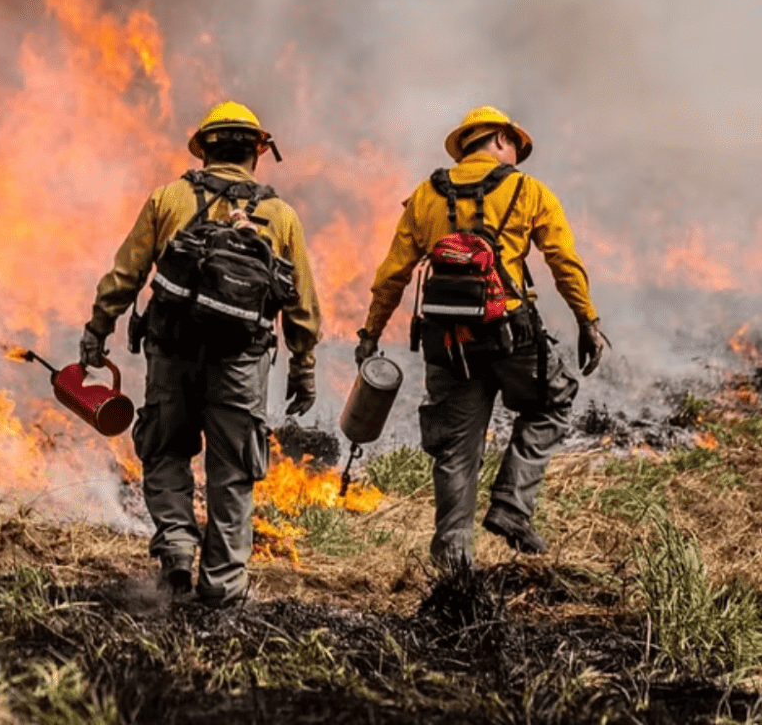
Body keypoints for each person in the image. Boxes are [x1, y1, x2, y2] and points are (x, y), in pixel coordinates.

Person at [79, 101, 322, 606]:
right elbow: (302, 304)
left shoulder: (168, 199)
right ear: (257, 151)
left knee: (165, 452)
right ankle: (222, 591)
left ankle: (176, 547)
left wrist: (97, 331)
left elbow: (125, 276)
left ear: (205, 149)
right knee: (231, 475)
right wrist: (304, 369)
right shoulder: (279, 215)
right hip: (240, 366)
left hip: (171, 355)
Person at [355, 106, 608, 568]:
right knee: (555, 399)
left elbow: (392, 274)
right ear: (496, 139)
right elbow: (563, 262)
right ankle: (511, 508)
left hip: (449, 342)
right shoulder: (529, 191)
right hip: (512, 335)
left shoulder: (425, 196)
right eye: (513, 144)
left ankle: (454, 564)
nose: (515, 156)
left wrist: (371, 333)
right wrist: (587, 321)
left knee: (455, 449)